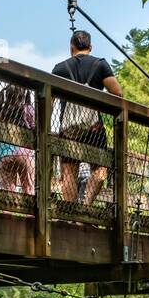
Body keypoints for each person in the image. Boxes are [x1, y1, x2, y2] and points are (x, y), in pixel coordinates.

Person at [53, 30, 122, 205]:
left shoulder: (59, 68)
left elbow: (50, 100)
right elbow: (117, 93)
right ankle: (86, 205)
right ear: (90, 47)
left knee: (69, 171)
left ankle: (71, 212)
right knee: (100, 170)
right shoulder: (100, 65)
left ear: (71, 47)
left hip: (68, 128)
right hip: (94, 127)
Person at [0, 83, 35, 194]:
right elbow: (34, 126)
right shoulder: (27, 108)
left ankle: (7, 210)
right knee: (28, 188)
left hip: (4, 154)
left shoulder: (0, 110)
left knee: (7, 192)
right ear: (24, 94)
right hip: (24, 154)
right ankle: (29, 211)